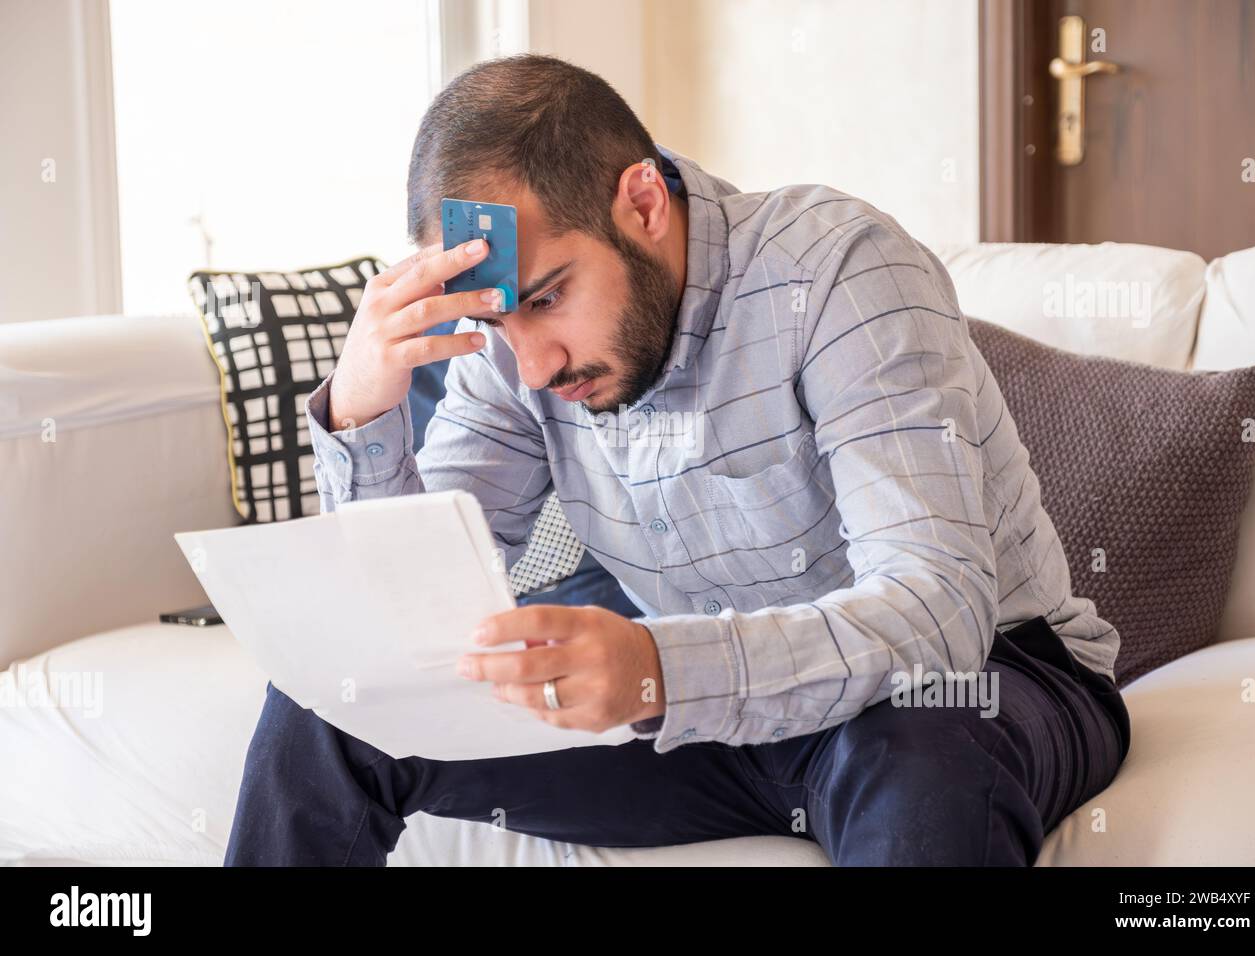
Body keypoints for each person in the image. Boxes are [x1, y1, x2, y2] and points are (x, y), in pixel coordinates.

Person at [225, 54, 1130, 866]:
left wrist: (659, 669)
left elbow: (936, 612)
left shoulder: (839, 269)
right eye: (496, 322)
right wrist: (361, 410)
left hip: (984, 675)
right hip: (706, 711)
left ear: (645, 203)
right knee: (328, 705)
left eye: (546, 297)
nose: (532, 364)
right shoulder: (517, 355)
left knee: (926, 747)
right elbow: (409, 623)